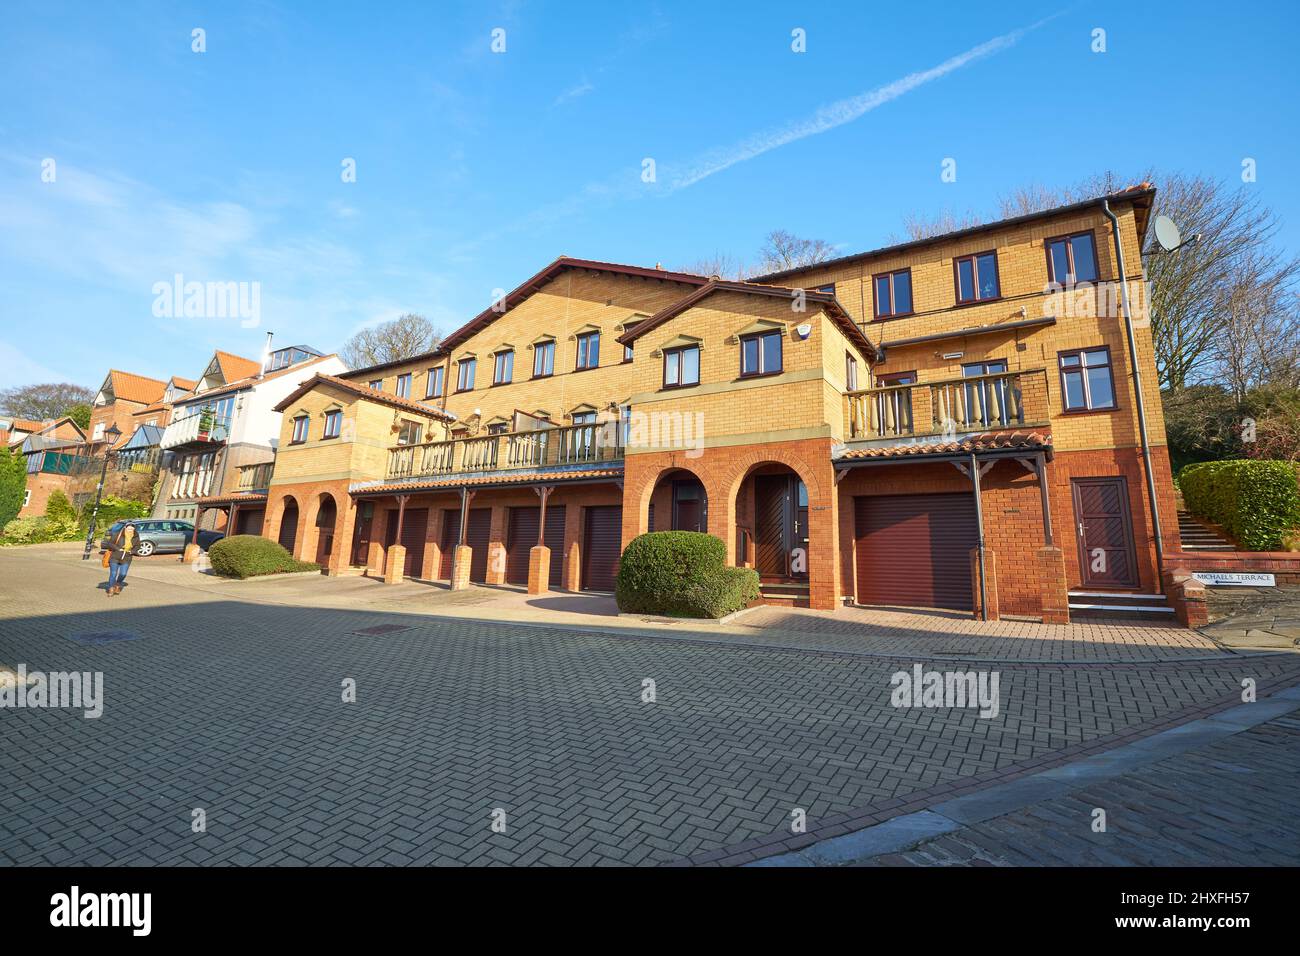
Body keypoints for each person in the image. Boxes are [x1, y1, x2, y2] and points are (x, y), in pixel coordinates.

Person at [106, 521, 137, 596]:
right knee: (113, 573)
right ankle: (111, 588)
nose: (130, 531)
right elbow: (110, 543)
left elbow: (138, 546)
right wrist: (117, 548)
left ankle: (117, 584)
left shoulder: (136, 536)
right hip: (115, 556)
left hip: (127, 557)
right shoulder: (118, 534)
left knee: (123, 574)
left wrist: (132, 551)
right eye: (129, 529)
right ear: (125, 528)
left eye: (132, 529)